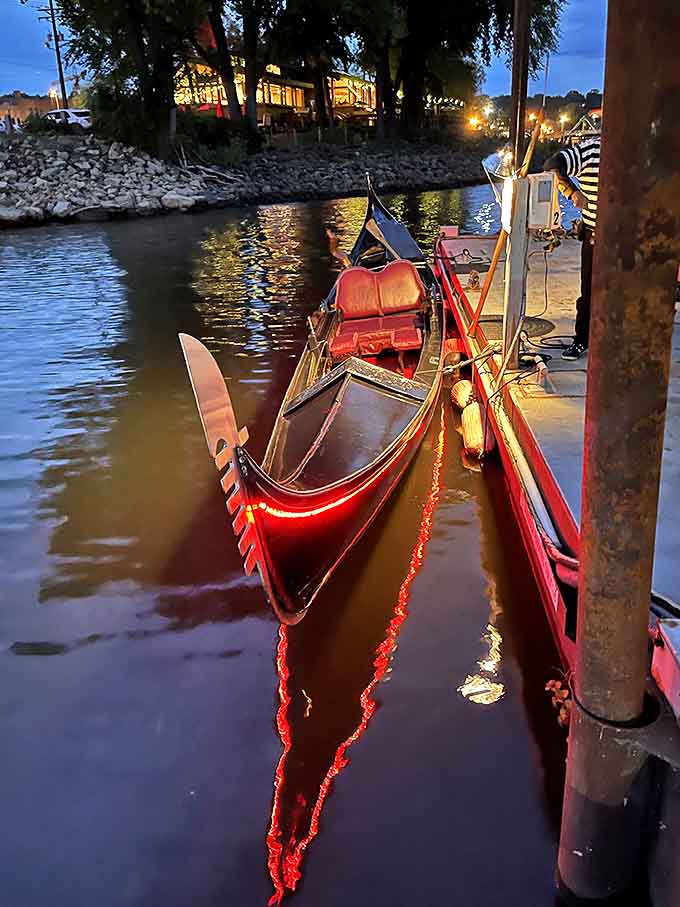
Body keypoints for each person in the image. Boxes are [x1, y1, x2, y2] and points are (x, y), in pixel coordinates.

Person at [545, 134, 601, 360]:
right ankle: (582, 340)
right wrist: (572, 191)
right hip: (595, 231)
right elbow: (553, 164)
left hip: (627, 232)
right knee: (588, 288)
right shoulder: (591, 150)